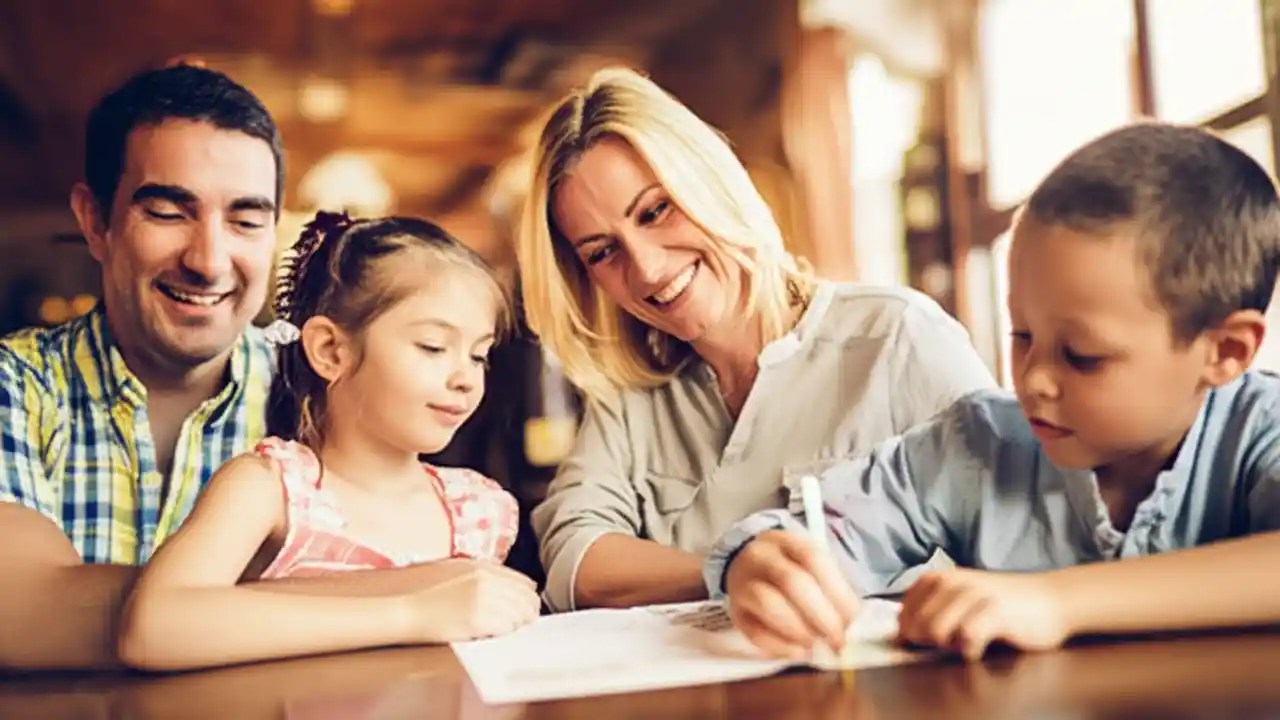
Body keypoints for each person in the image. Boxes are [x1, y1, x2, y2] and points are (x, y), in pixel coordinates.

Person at [708, 122, 1280, 661]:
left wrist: (1059, 601)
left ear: (1225, 352)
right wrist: (760, 564)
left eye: (1082, 356)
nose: (1031, 377)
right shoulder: (974, 445)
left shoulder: (1261, 432)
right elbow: (805, 533)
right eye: (1022, 335)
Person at [515, 67, 996, 613]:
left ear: (711, 183)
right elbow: (576, 560)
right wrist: (733, 568)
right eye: (603, 252)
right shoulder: (630, 394)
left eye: (655, 211)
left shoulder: (896, 337)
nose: (646, 269)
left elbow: (1020, 540)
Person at [117, 212, 540, 671]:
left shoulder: (478, 511)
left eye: (479, 355)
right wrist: (413, 612)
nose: (466, 379)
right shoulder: (271, 488)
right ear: (330, 351)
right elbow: (154, 628)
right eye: (433, 347)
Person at [0, 63, 280, 669]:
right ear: (95, 221)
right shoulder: (14, 384)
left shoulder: (322, 391)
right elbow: (15, 611)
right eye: (169, 212)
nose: (209, 260)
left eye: (246, 221)